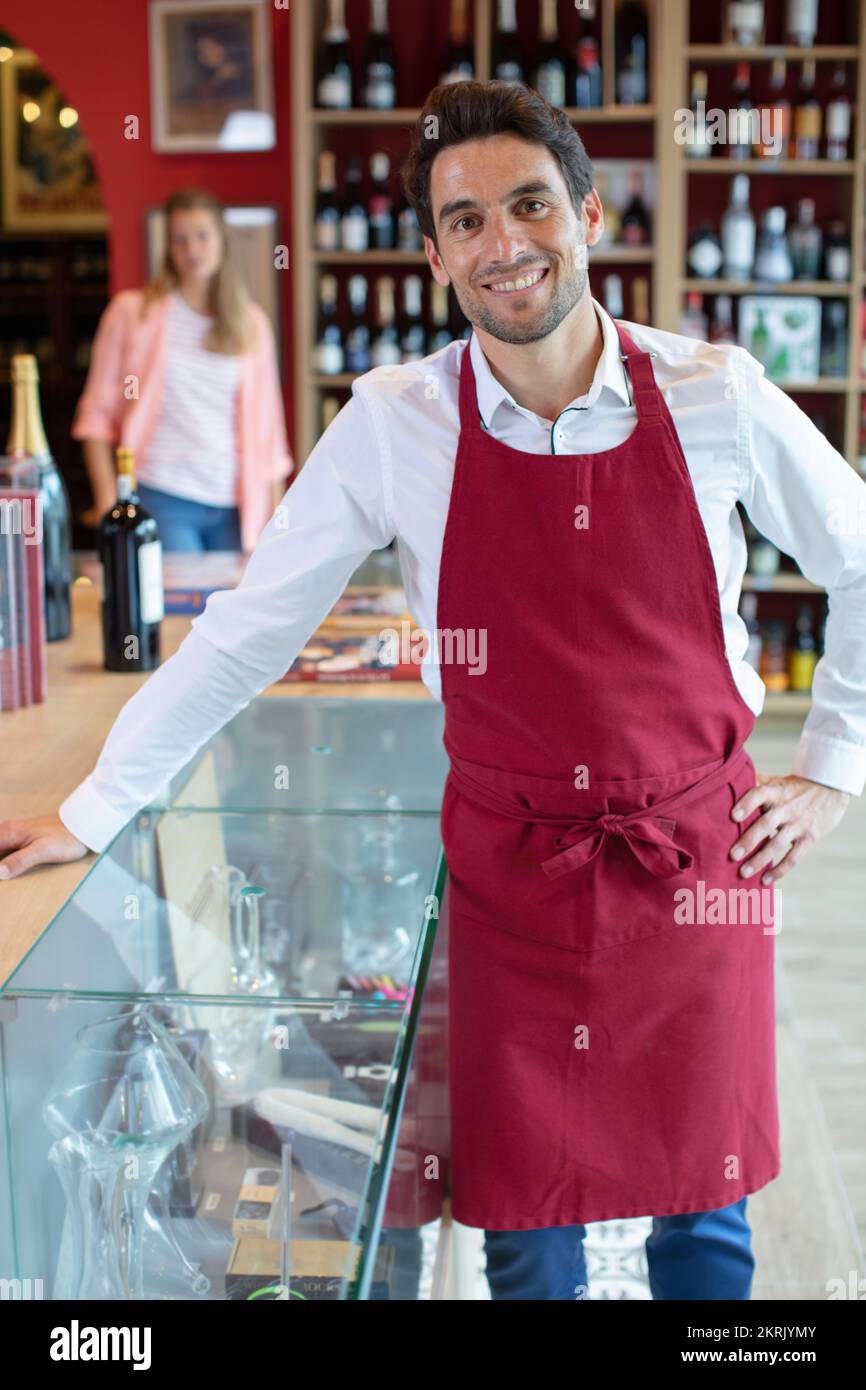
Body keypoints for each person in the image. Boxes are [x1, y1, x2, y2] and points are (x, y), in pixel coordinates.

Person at [3, 81, 865, 1301]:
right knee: (519, 1227)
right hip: (508, 873)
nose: (500, 243)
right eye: (464, 220)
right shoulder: (393, 422)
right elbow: (248, 631)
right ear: (432, 253)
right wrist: (92, 808)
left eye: (527, 205)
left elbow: (859, 556)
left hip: (690, 859)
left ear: (587, 211)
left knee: (701, 1215)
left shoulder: (713, 392)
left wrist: (829, 768)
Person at [75, 187, 291, 551]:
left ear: (222, 241)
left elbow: (269, 436)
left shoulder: (252, 325)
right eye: (179, 239)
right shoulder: (131, 314)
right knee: (181, 606)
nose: (192, 249)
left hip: (237, 505)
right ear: (168, 249)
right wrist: (108, 502)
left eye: (202, 236)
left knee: (233, 608)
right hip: (162, 495)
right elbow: (96, 417)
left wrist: (278, 521)